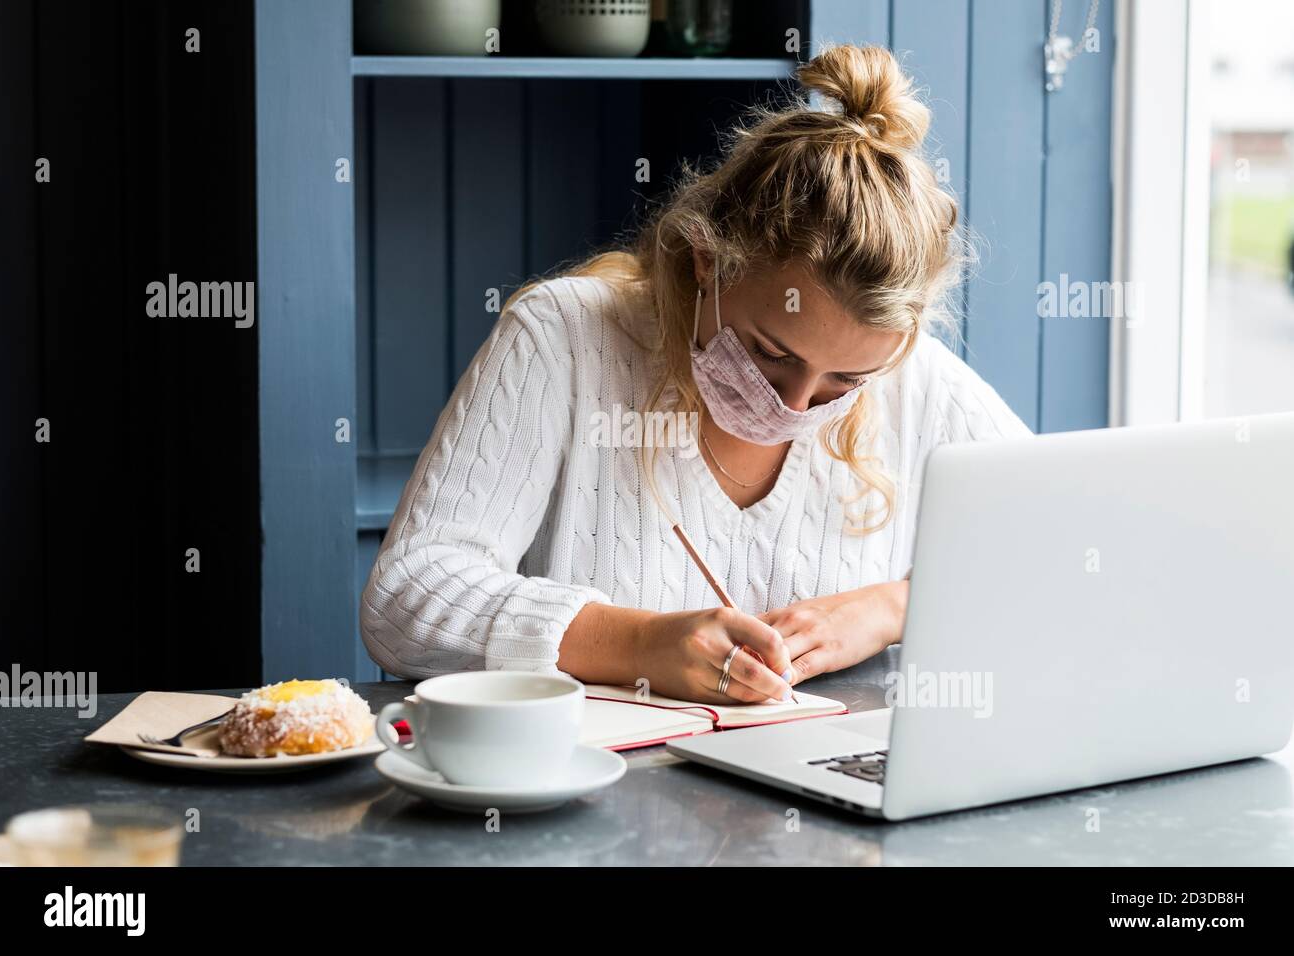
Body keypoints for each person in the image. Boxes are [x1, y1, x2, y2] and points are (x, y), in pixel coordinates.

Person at [360, 44, 1032, 704]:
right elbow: (405, 600)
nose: (797, 405)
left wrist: (895, 607)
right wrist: (638, 644)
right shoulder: (566, 338)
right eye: (772, 353)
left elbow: (1069, 553)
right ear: (707, 259)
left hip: (817, 791)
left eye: (843, 382)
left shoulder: (915, 381)